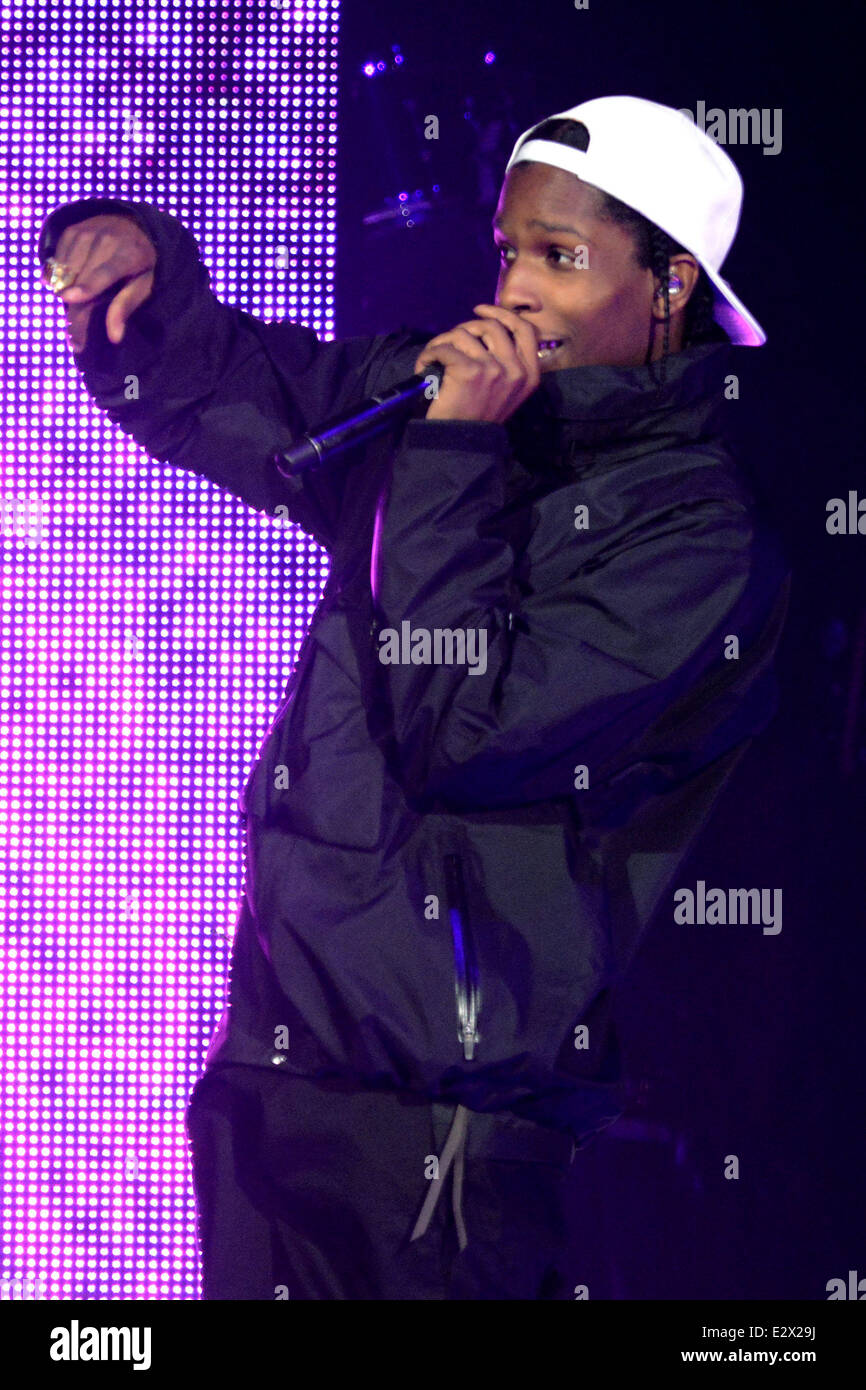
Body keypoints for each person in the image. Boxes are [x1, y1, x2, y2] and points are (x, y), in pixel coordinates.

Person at [38, 94, 790, 1300]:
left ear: (667, 286)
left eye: (561, 257)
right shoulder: (438, 412)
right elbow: (244, 386)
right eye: (507, 250)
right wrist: (136, 262)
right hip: (279, 1081)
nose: (516, 289)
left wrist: (452, 455)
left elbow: (467, 729)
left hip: (443, 1135)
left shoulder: (694, 546)